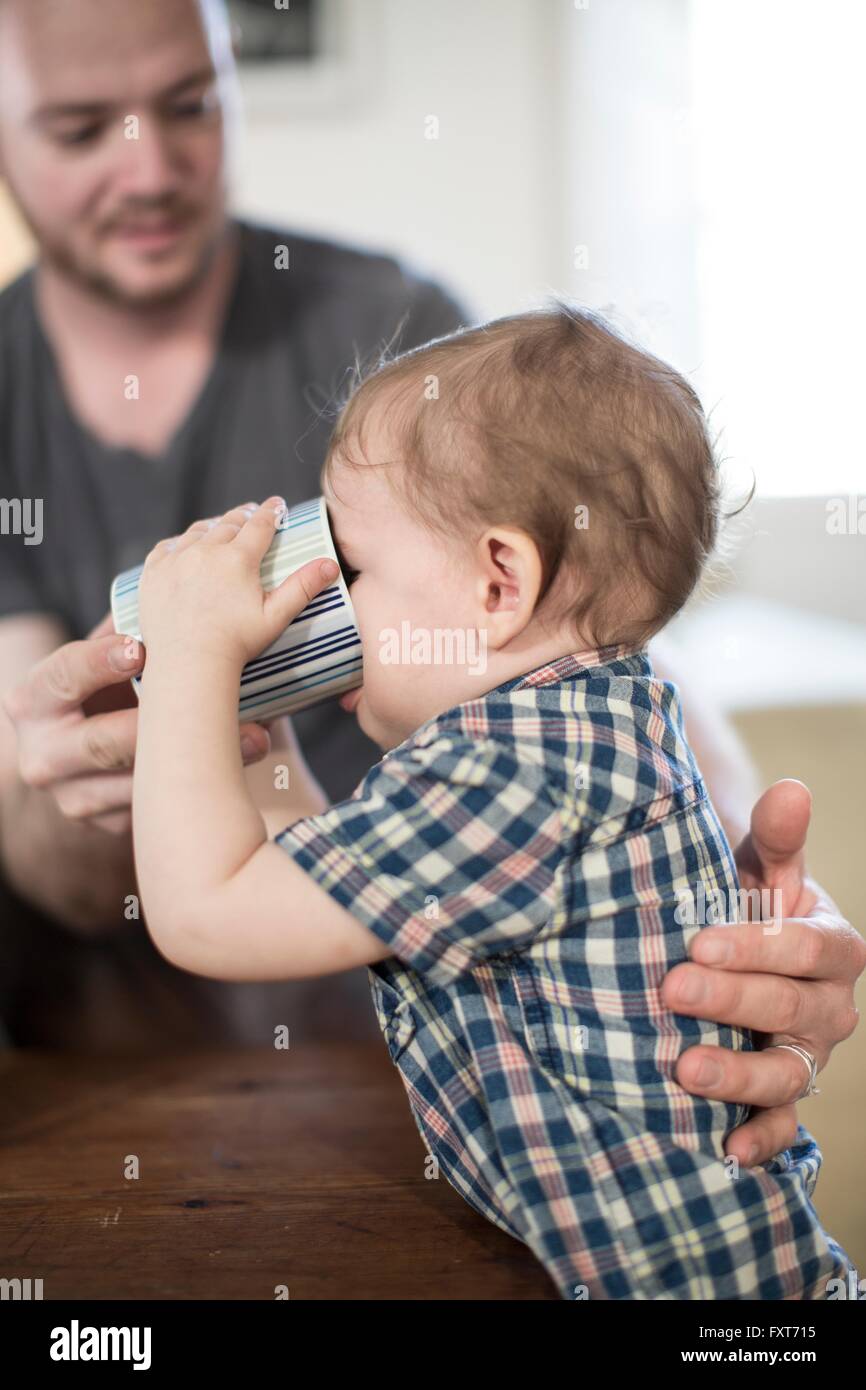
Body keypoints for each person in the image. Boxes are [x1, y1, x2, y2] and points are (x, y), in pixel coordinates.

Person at [0, 0, 861, 1181]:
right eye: (82, 125)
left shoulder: (394, 343)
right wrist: (218, 731)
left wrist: (756, 943)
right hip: (101, 1066)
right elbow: (218, 847)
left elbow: (606, 630)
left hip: (429, 1093)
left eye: (191, 103)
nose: (149, 163)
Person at [126, 304, 854, 1298]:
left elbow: (209, 914)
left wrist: (188, 661)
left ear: (497, 582)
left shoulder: (515, 774)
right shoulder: (593, 723)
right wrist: (264, 716)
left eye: (352, 569)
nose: (328, 601)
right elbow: (305, 887)